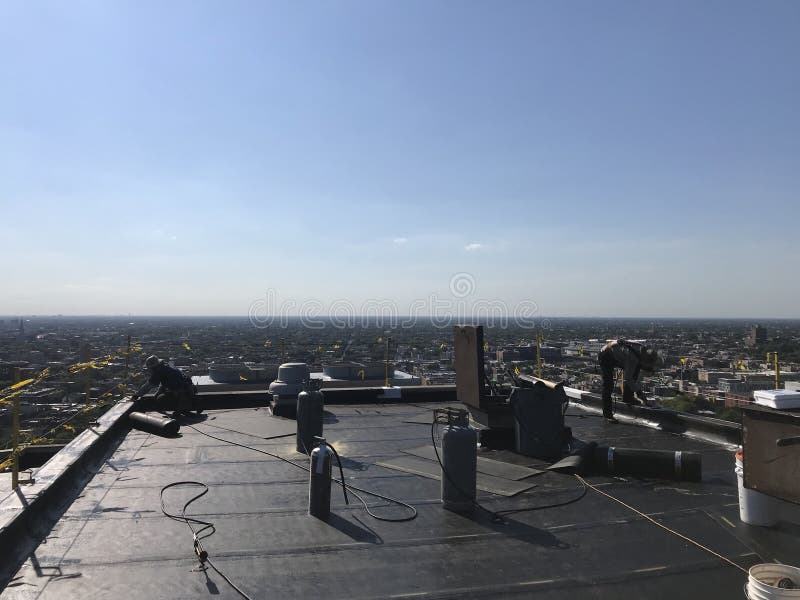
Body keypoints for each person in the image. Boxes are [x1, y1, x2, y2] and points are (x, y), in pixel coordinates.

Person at [598, 340, 658, 423]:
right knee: (608, 385)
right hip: (605, 355)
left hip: (616, 353)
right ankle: (607, 414)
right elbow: (629, 379)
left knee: (635, 370)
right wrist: (639, 393)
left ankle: (628, 398)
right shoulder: (633, 358)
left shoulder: (642, 349)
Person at [132, 355, 201, 418]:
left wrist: (137, 395)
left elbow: (149, 385)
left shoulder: (159, 371)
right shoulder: (166, 366)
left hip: (183, 392)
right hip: (189, 390)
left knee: (161, 399)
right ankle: (184, 408)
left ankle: (182, 409)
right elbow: (163, 385)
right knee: (161, 397)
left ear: (152, 367)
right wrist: (155, 396)